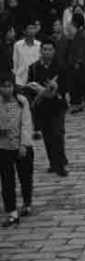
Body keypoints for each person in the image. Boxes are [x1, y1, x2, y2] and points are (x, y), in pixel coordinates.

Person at [25, 40, 68, 176]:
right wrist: (39, 91)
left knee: (57, 134)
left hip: (57, 105)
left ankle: (60, 163)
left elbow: (67, 85)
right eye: (44, 49)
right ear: (40, 51)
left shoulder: (60, 67)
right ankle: (53, 162)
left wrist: (56, 89)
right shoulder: (34, 68)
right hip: (42, 106)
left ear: (54, 51)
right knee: (48, 135)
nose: (47, 52)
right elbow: (30, 86)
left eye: (50, 50)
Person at [0, 70, 34, 227]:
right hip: (4, 146)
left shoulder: (22, 101)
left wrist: (23, 144)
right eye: (3, 86)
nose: (6, 89)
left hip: (21, 145)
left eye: (9, 86)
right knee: (7, 181)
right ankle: (12, 212)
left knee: (25, 177)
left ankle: (27, 203)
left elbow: (26, 124)